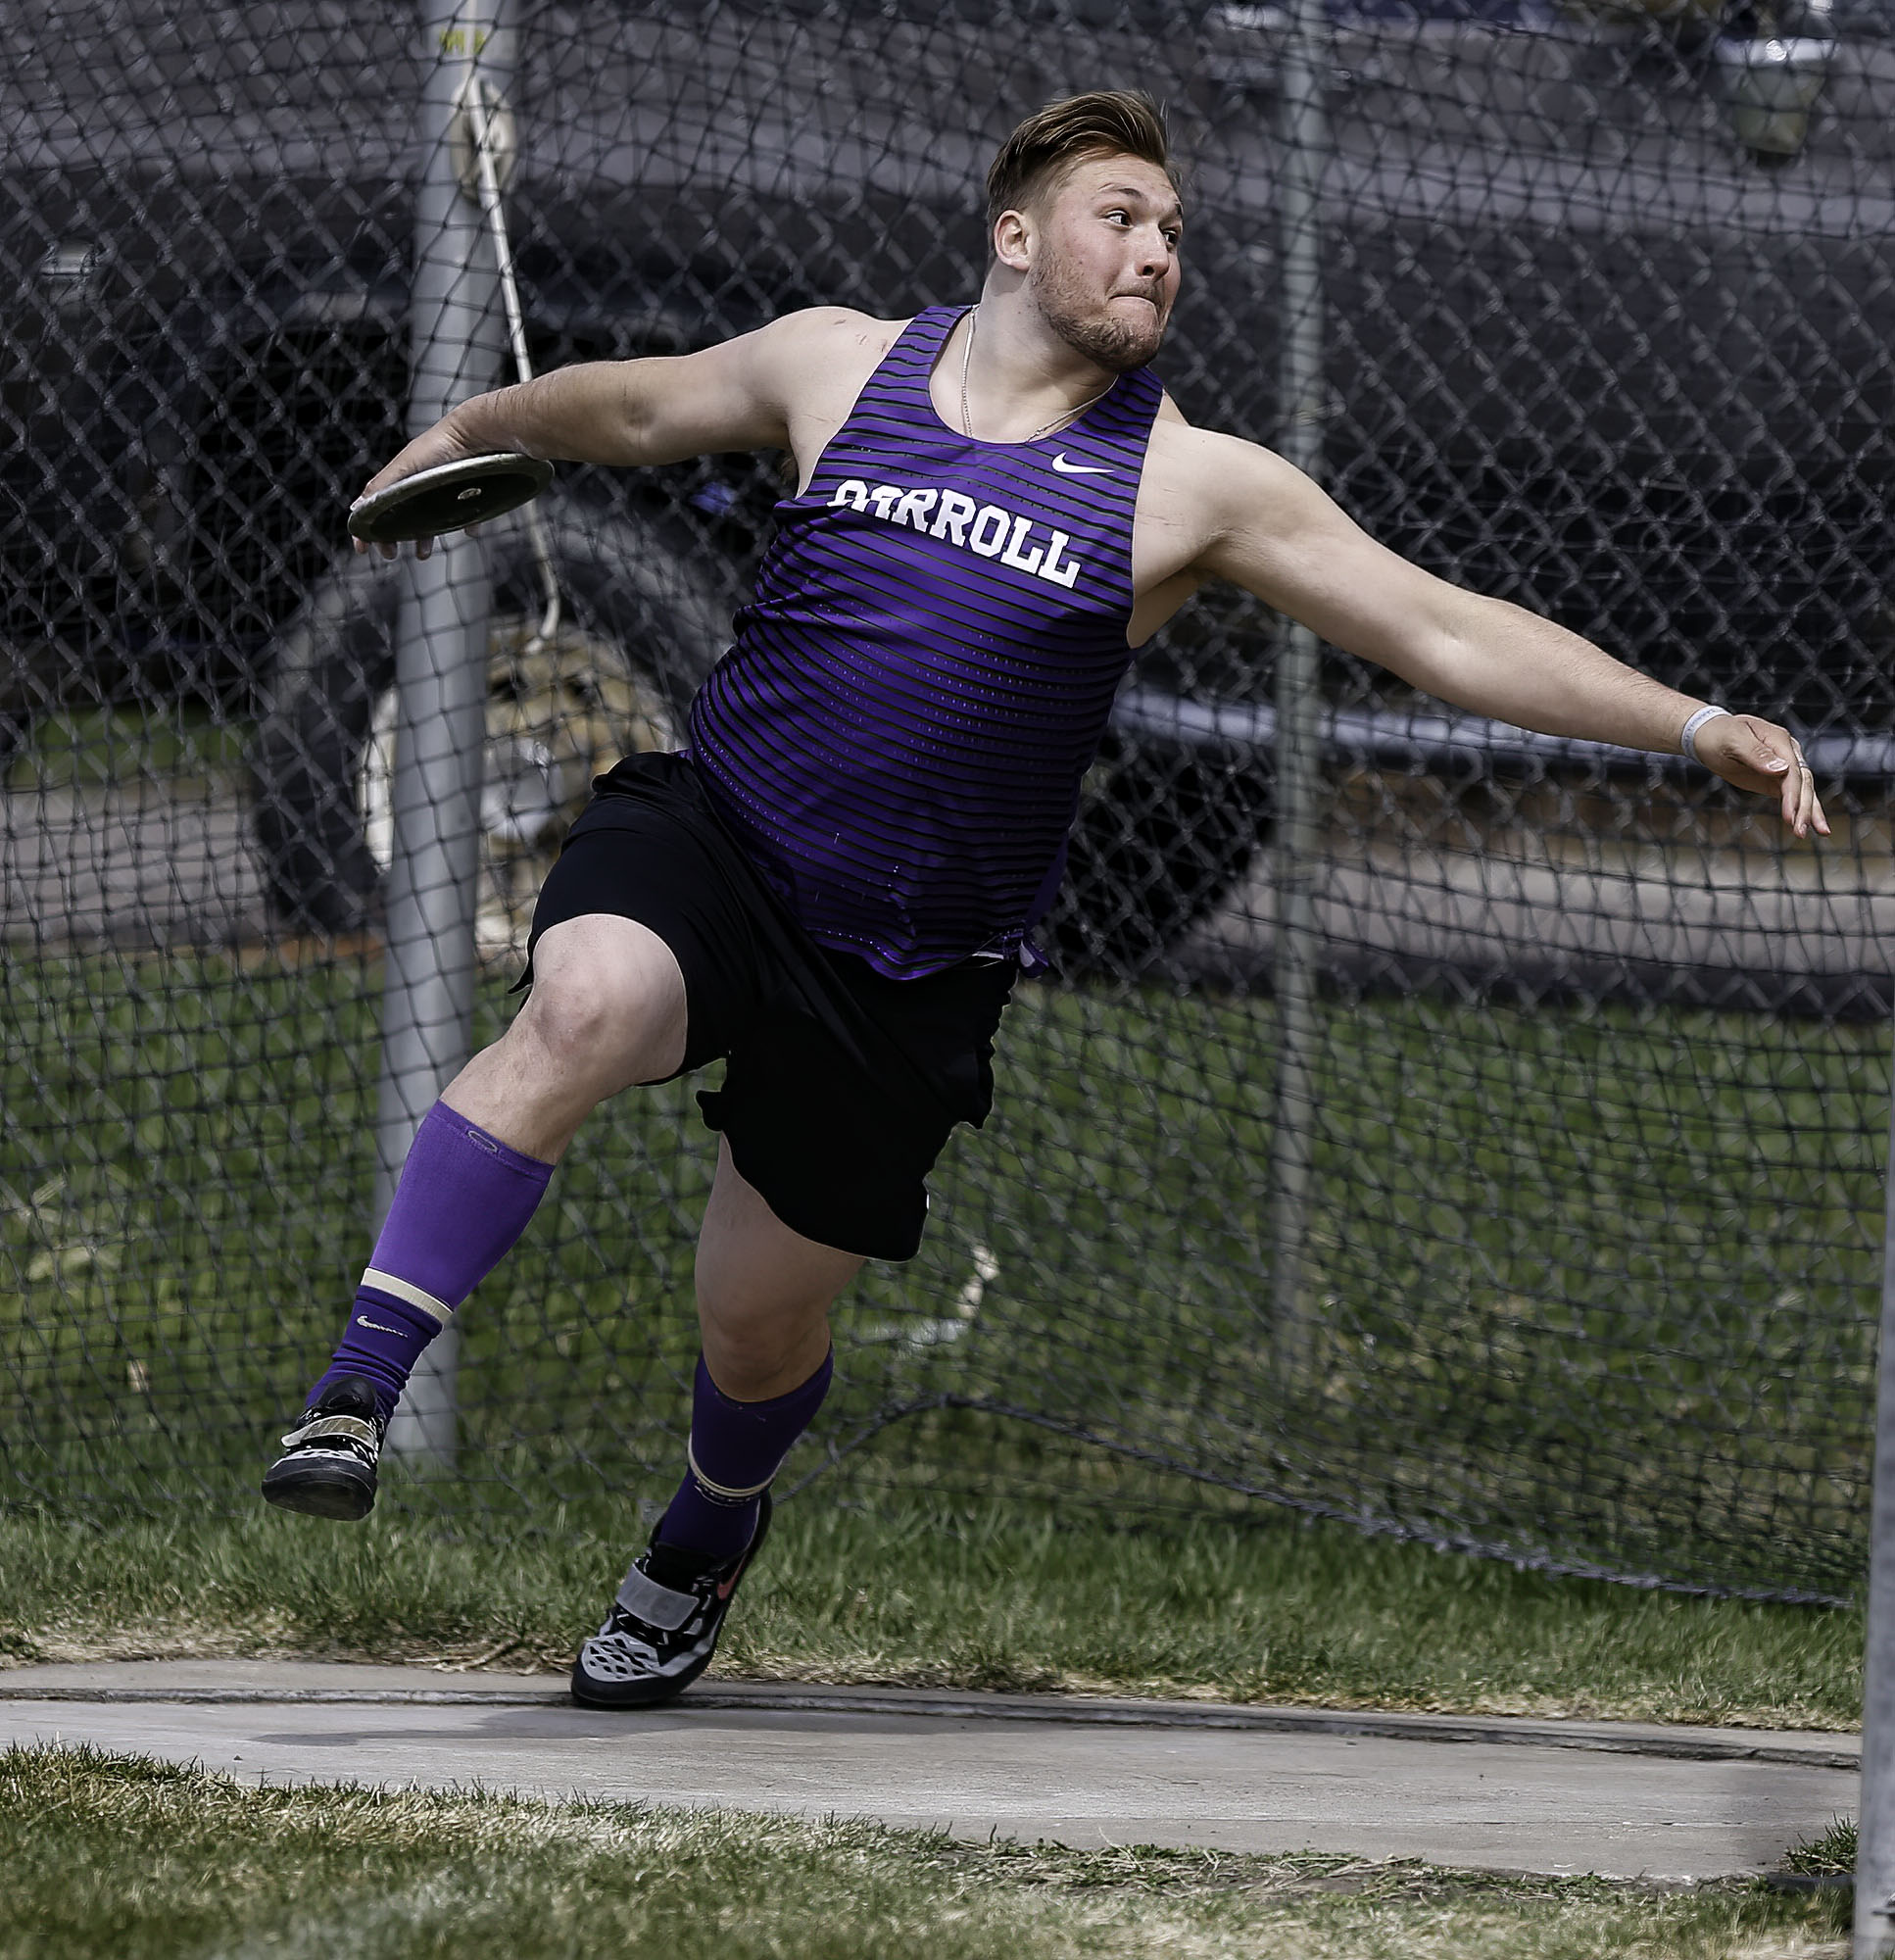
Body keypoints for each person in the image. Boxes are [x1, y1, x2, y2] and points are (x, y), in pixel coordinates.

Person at [262, 89, 1827, 1707]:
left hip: (905, 965)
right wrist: (475, 423)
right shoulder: (839, 364)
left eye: (1172, 233)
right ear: (1015, 237)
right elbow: (640, 405)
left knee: (753, 1333)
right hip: (718, 840)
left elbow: (1441, 629)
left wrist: (1689, 723)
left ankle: (708, 1527)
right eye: (1120, 218)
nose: (1155, 254)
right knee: (583, 1002)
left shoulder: (1192, 485)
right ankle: (354, 1395)